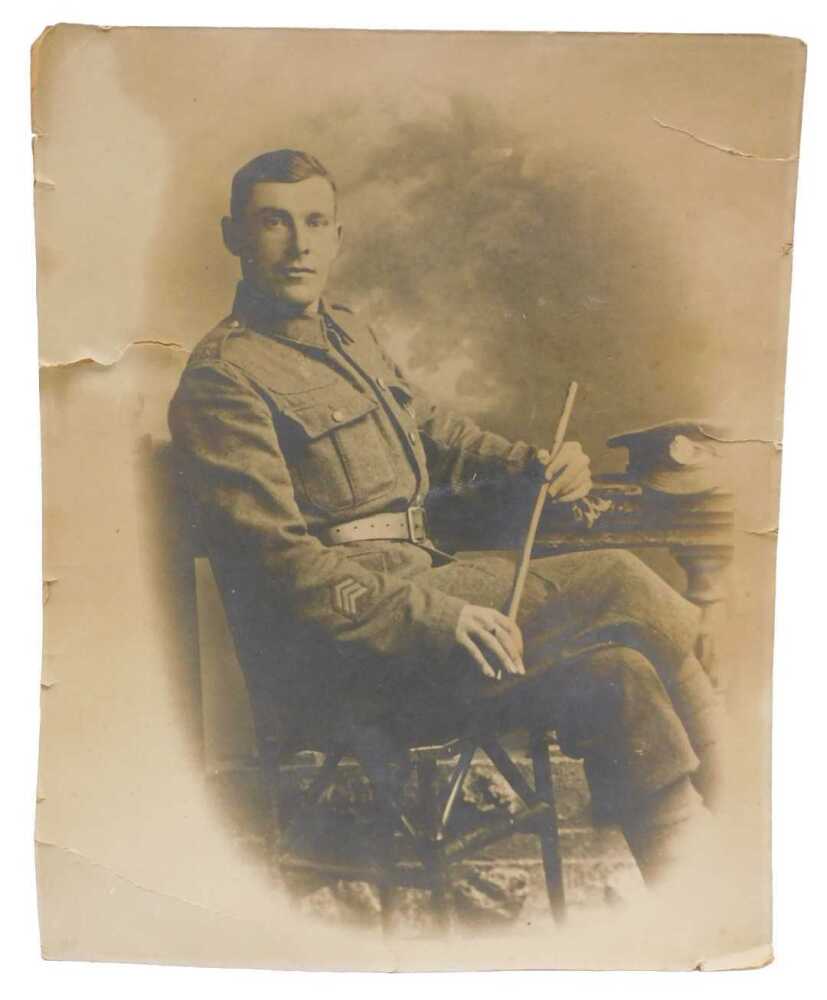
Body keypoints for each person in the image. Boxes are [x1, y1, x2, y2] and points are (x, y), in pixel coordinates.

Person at [168, 149, 725, 886]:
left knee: (619, 674)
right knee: (619, 579)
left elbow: (436, 430)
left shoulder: (348, 335)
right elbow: (279, 564)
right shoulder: (223, 381)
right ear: (234, 235)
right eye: (274, 222)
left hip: (439, 607)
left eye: (314, 223)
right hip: (357, 663)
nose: (298, 245)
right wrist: (434, 617)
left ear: (337, 236)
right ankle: (751, 811)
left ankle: (697, 889)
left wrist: (533, 463)